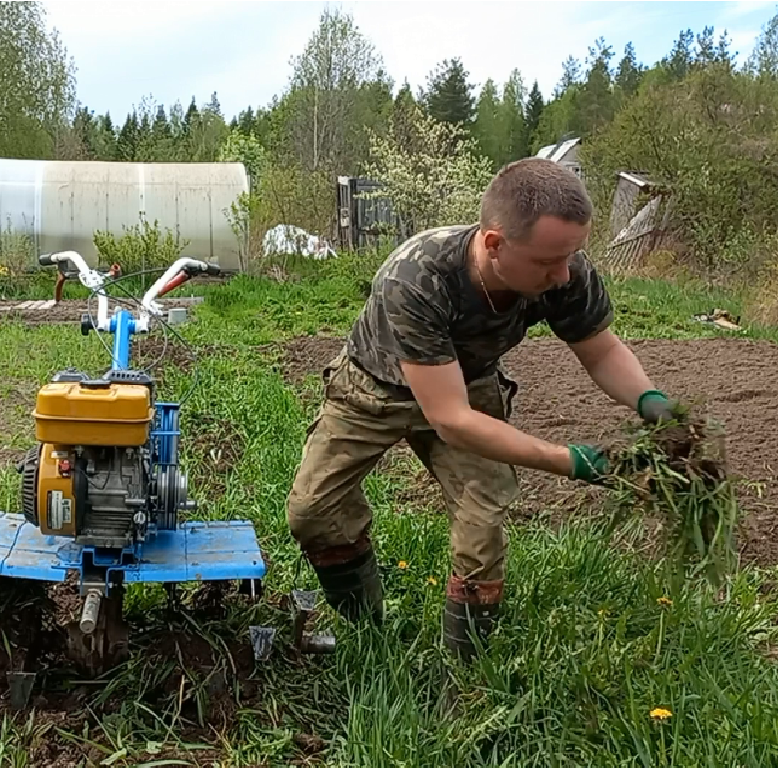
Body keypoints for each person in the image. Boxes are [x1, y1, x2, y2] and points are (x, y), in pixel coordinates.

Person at [284, 157, 684, 660]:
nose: (563, 275)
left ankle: (468, 671)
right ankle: (366, 633)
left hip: (469, 384)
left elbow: (601, 350)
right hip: (374, 387)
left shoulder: (564, 267)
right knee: (312, 511)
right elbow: (450, 419)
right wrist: (571, 462)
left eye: (571, 256)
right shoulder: (417, 277)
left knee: (481, 526)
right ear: (494, 245)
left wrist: (651, 401)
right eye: (546, 263)